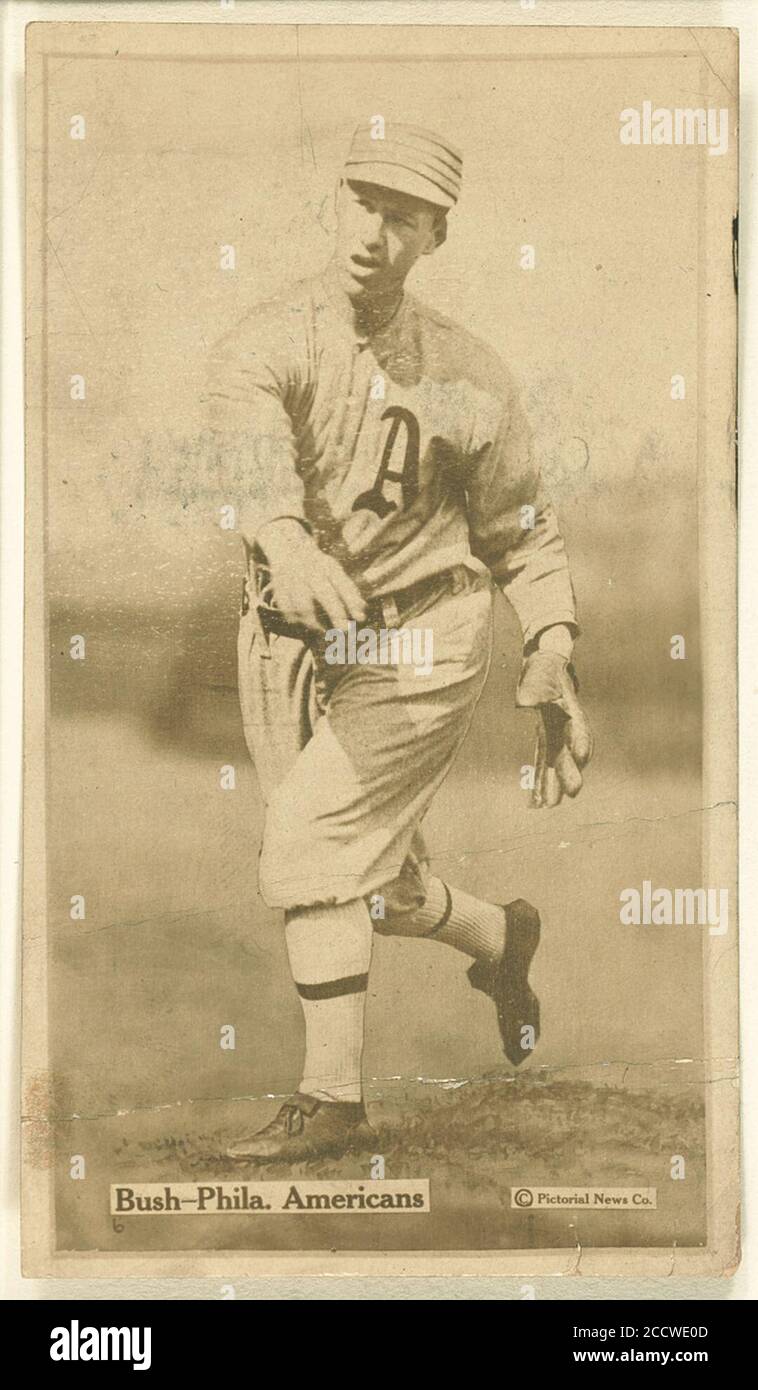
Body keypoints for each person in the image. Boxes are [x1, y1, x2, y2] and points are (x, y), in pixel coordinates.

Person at [205, 122, 592, 1161]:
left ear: (436, 234)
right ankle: (500, 935)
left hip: (423, 633)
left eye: (402, 215)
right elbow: (251, 469)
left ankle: (331, 1104)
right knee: (370, 883)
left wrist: (549, 641)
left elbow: (520, 527)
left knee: (311, 846)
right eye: (360, 202)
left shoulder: (471, 374)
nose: (373, 232)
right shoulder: (263, 340)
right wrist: (282, 538)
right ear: (328, 204)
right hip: (290, 636)